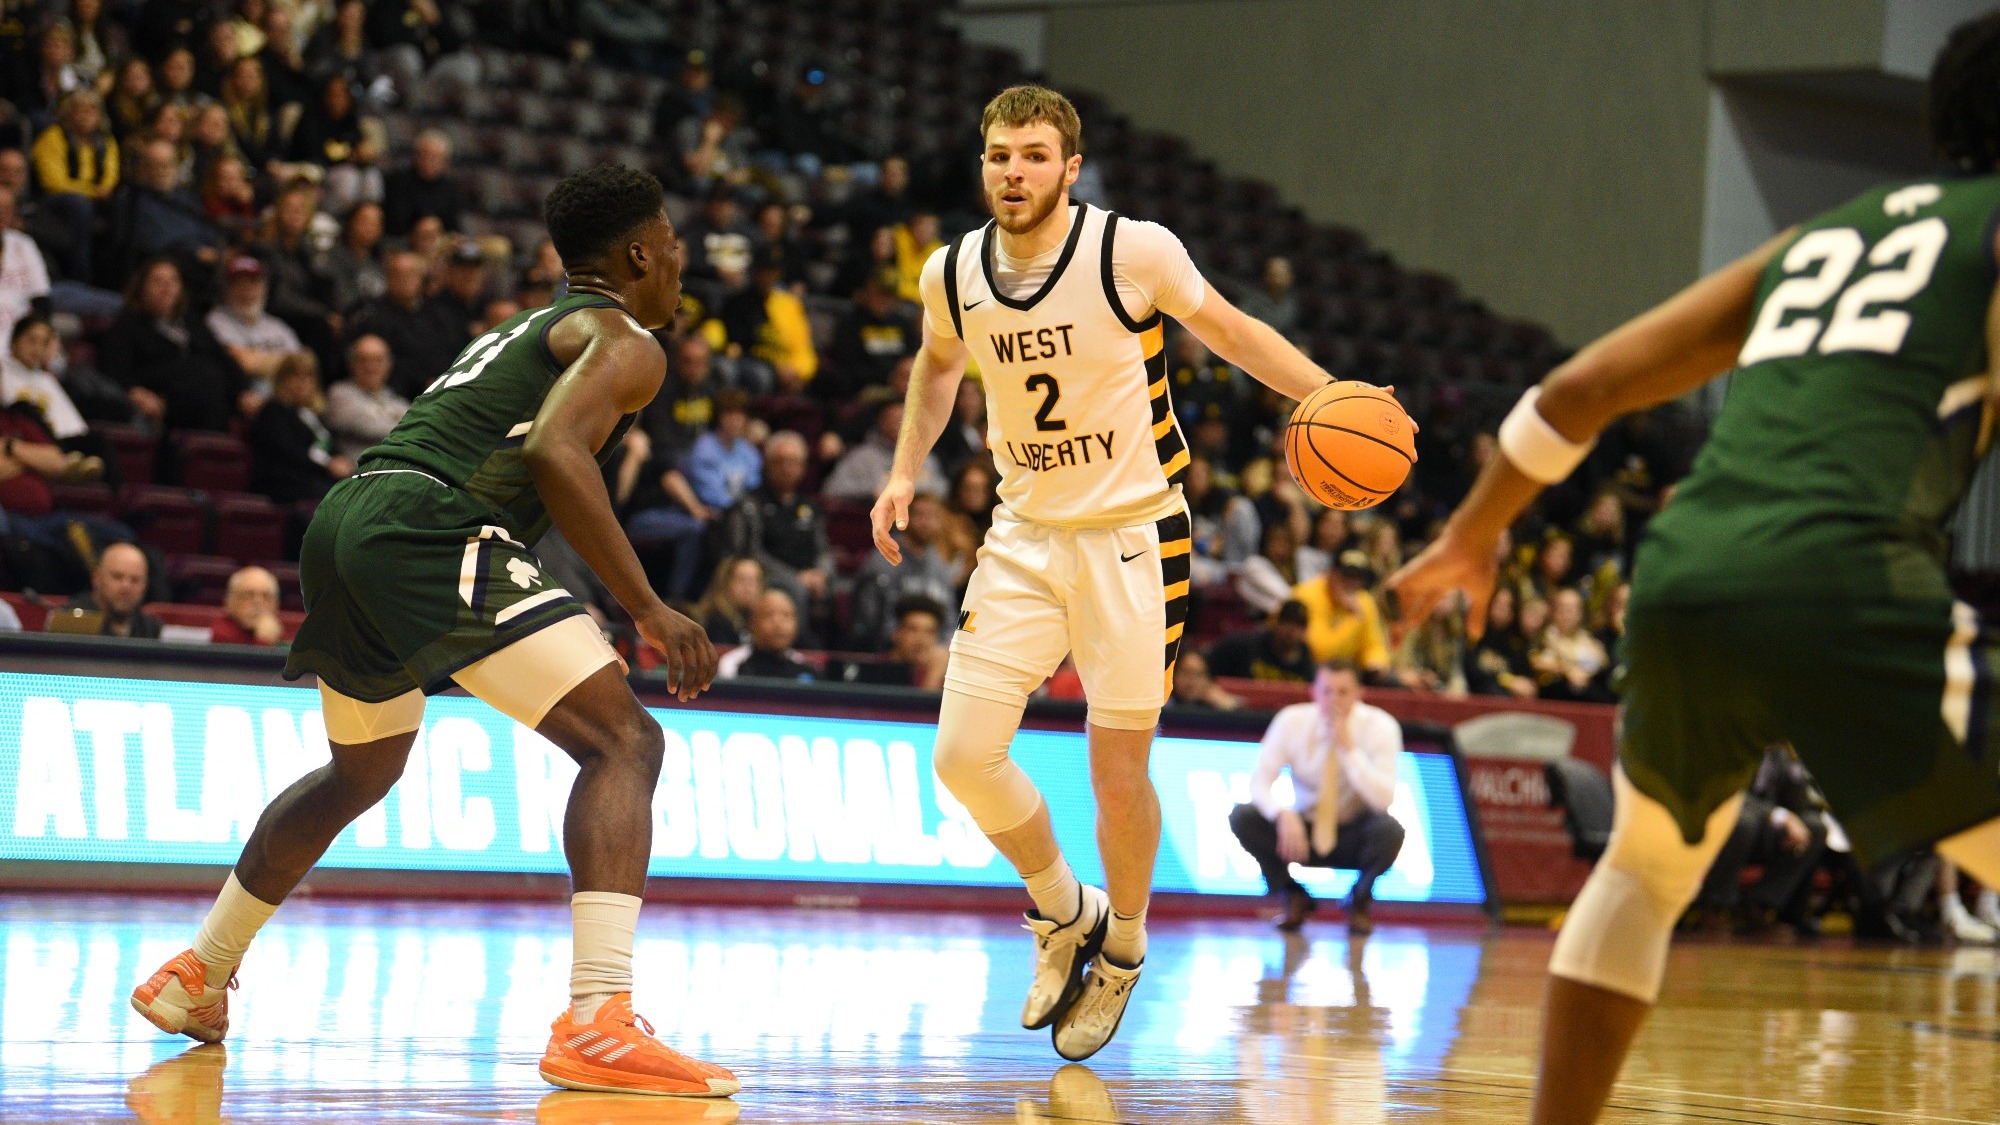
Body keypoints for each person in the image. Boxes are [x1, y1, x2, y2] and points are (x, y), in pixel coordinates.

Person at [1386, 17, 2000, 1123]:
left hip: (1683, 577)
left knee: (1642, 873)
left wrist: (1474, 532)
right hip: (1843, 577)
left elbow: (1578, 391)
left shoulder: (1816, 239)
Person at [128, 164, 737, 1099]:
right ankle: (598, 1018)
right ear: (641, 252)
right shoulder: (626, 339)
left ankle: (201, 972)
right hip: (429, 525)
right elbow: (552, 449)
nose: (684, 261)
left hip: (349, 518)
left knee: (360, 770)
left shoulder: (529, 326)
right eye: (676, 244)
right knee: (625, 739)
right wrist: (648, 606)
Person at [868, 85, 1338, 1061]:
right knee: (960, 755)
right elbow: (935, 365)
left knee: (1113, 772)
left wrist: (1328, 394)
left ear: (1069, 167)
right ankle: (1059, 910)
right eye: (999, 154)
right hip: (1023, 535)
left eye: (1034, 155)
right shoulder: (949, 272)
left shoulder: (1133, 251)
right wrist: (903, 470)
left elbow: (1235, 333)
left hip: (1133, 534)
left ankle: (1121, 946)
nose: (1013, 171)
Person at [1228, 661, 1406, 934]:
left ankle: (1358, 900)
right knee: (1243, 816)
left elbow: (1383, 800)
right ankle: (1293, 895)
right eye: (1326, 691)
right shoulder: (1292, 720)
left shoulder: (1381, 726)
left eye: (1343, 692)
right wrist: (1282, 813)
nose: (1333, 700)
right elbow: (1259, 783)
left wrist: (1349, 749)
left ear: (1360, 693)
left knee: (1391, 830)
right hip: (1302, 832)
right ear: (1314, 692)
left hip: (1353, 832)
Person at [99, 256, 244, 432]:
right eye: (157, 281)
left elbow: (221, 357)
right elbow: (115, 370)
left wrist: (244, 390)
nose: (166, 288)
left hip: (206, 398)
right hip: (164, 399)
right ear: (141, 288)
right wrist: (133, 392)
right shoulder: (126, 326)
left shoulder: (192, 323)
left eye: (172, 281)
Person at [721, 430, 832, 615]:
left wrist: (821, 574)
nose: (786, 468)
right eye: (780, 461)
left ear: (803, 468)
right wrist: (796, 577)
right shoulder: (750, 504)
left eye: (793, 462)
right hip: (769, 578)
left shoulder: (810, 507)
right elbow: (751, 552)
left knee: (841, 589)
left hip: (809, 576)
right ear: (767, 464)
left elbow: (824, 550)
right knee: (795, 589)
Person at [346, 249, 467, 398]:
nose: (404, 279)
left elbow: (454, 348)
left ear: (421, 277)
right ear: (387, 278)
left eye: (410, 274)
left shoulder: (439, 312)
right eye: (397, 274)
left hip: (448, 387)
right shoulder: (373, 316)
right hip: (401, 394)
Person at [851, 490, 959, 652]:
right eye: (920, 515)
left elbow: (950, 618)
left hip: (933, 652)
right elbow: (871, 620)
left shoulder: (942, 567)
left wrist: (942, 646)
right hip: (888, 651)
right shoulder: (883, 558)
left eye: (933, 517)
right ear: (905, 518)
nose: (926, 523)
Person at [248, 351, 352, 503]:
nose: (302, 383)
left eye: (309, 376)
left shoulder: (312, 415)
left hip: (315, 480)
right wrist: (328, 465)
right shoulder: (273, 411)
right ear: (281, 379)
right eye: (295, 375)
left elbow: (328, 446)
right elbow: (287, 451)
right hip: (285, 484)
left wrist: (341, 461)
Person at [207, 255, 302, 410]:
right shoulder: (216, 321)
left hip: (288, 404)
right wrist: (285, 363)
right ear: (226, 289)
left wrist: (260, 361)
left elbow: (302, 366)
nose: (246, 290)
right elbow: (243, 363)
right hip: (250, 407)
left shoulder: (278, 327)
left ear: (265, 288)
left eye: (253, 283)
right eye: (238, 284)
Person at [824, 399, 946, 503]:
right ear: (881, 423)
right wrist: (870, 494)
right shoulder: (860, 457)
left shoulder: (926, 458)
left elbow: (943, 489)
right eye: (894, 420)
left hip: (918, 521)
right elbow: (833, 490)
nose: (900, 425)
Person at [1291, 550, 1390, 674]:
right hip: (1303, 670)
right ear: (1332, 574)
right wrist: (1354, 617)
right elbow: (1319, 652)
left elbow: (1373, 644)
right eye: (1347, 575)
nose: (1353, 583)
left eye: (1359, 577)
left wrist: (1376, 663)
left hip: (1345, 671)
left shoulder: (1364, 601)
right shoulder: (1305, 596)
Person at [323, 334, 407, 459]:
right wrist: (405, 427)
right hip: (360, 473)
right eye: (363, 360)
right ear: (350, 363)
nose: (371, 367)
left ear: (389, 364)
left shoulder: (397, 400)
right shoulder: (339, 394)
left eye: (378, 360)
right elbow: (367, 428)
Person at [57, 541, 162, 639]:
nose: (126, 587)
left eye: (135, 580)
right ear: (96, 578)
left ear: (145, 585)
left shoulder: (152, 630)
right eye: (117, 577)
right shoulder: (71, 622)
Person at [843, 594, 950, 690]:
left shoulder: (943, 676)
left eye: (929, 632)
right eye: (913, 629)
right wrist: (933, 676)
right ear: (896, 633)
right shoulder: (873, 670)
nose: (921, 640)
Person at [1205, 598, 1318, 684]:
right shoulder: (1243, 646)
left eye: (1299, 626)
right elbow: (1207, 669)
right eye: (1287, 623)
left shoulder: (1308, 664)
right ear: (1276, 623)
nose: (1292, 631)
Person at [715, 588, 816, 681]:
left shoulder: (806, 669)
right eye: (769, 615)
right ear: (752, 624)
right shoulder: (732, 665)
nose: (778, 624)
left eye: (786, 616)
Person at [382, 129, 463, 236]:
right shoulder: (398, 181)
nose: (430, 161)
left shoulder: (450, 187)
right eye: (425, 155)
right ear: (416, 156)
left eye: (436, 157)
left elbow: (452, 225)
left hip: (438, 244)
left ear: (445, 162)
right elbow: (395, 221)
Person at [693, 554, 762, 647]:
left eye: (754, 581)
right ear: (725, 583)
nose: (748, 587)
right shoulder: (716, 622)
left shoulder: (758, 620)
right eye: (741, 580)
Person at [210, 564, 284, 645]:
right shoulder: (222, 633)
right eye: (249, 595)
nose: (258, 603)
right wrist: (265, 641)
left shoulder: (287, 633)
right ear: (229, 602)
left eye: (266, 596)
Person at [1169, 650, 1239, 710]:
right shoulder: (1162, 705)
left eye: (1199, 675)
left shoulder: (1216, 705)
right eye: (1186, 673)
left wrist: (1228, 707)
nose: (1191, 681)